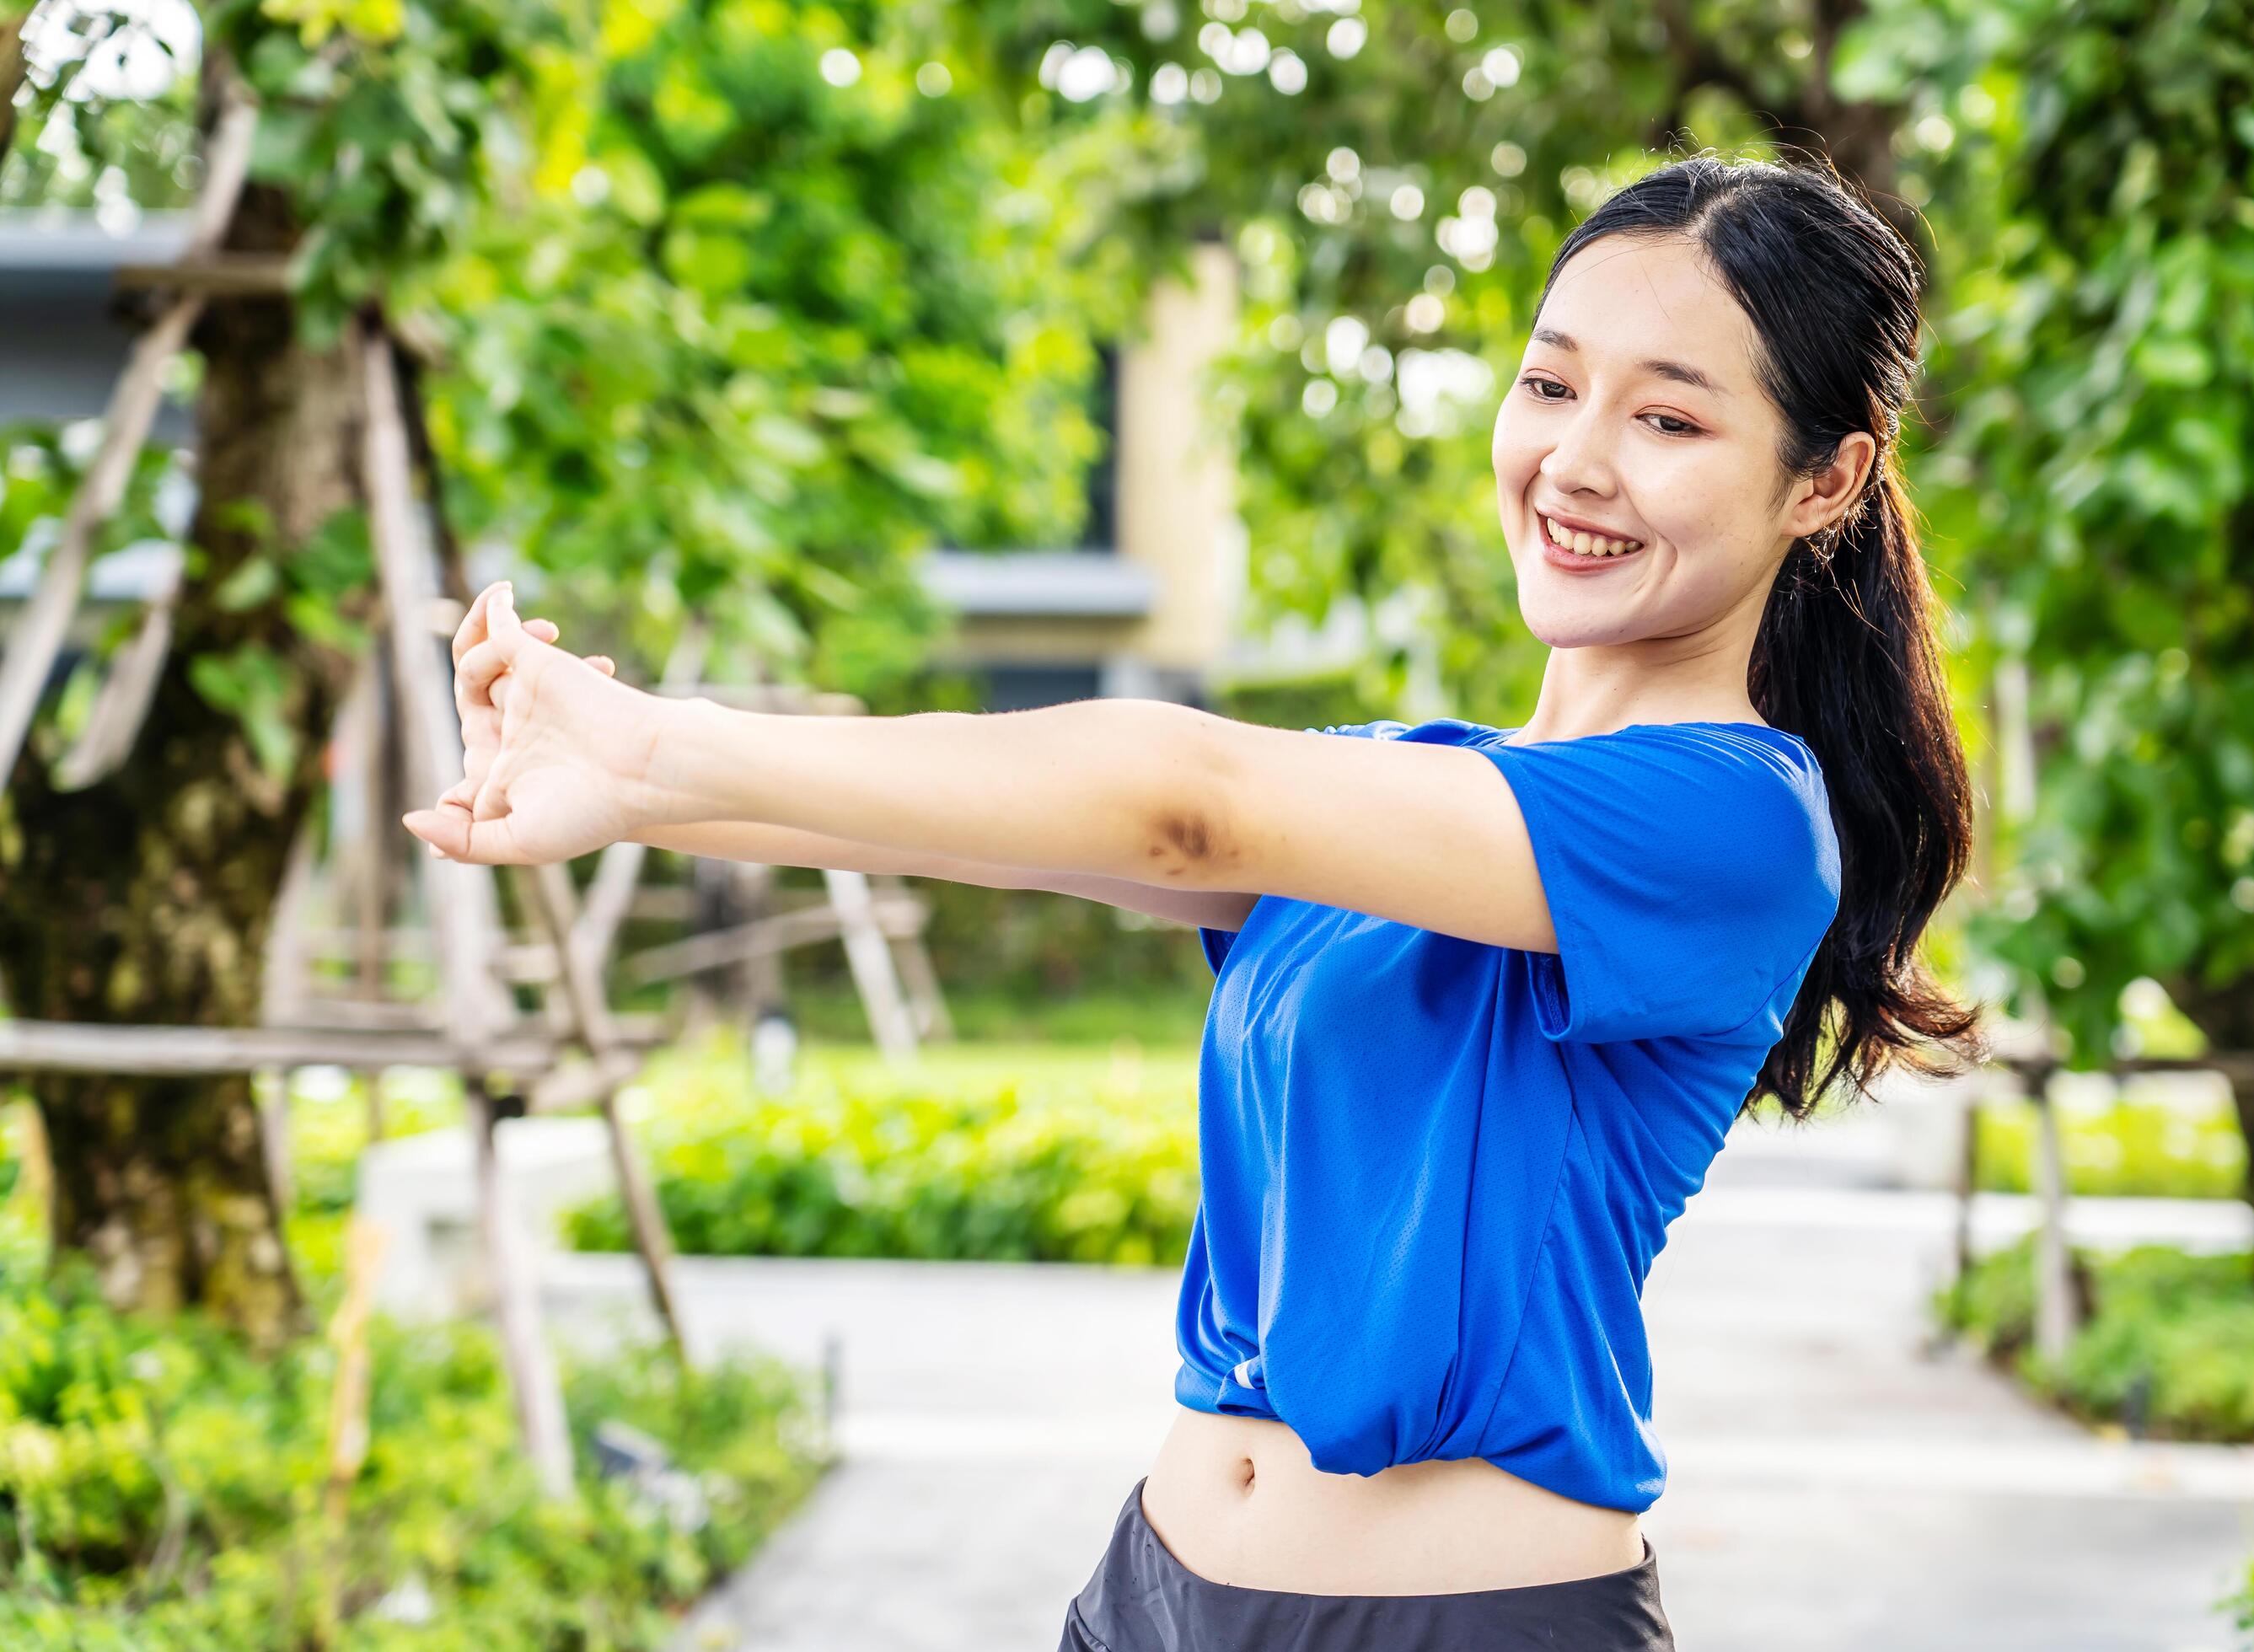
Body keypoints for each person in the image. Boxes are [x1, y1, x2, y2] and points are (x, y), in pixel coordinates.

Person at [411, 148, 1983, 1652]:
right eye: (1550, 385)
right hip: (1156, 1590)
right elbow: (1012, 831)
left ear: (1825, 481)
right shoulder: (1395, 789)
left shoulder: (1738, 818)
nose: (1574, 461)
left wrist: (654, 735)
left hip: (1475, 1626)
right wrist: (633, 792)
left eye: (1670, 423)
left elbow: (1180, 804)